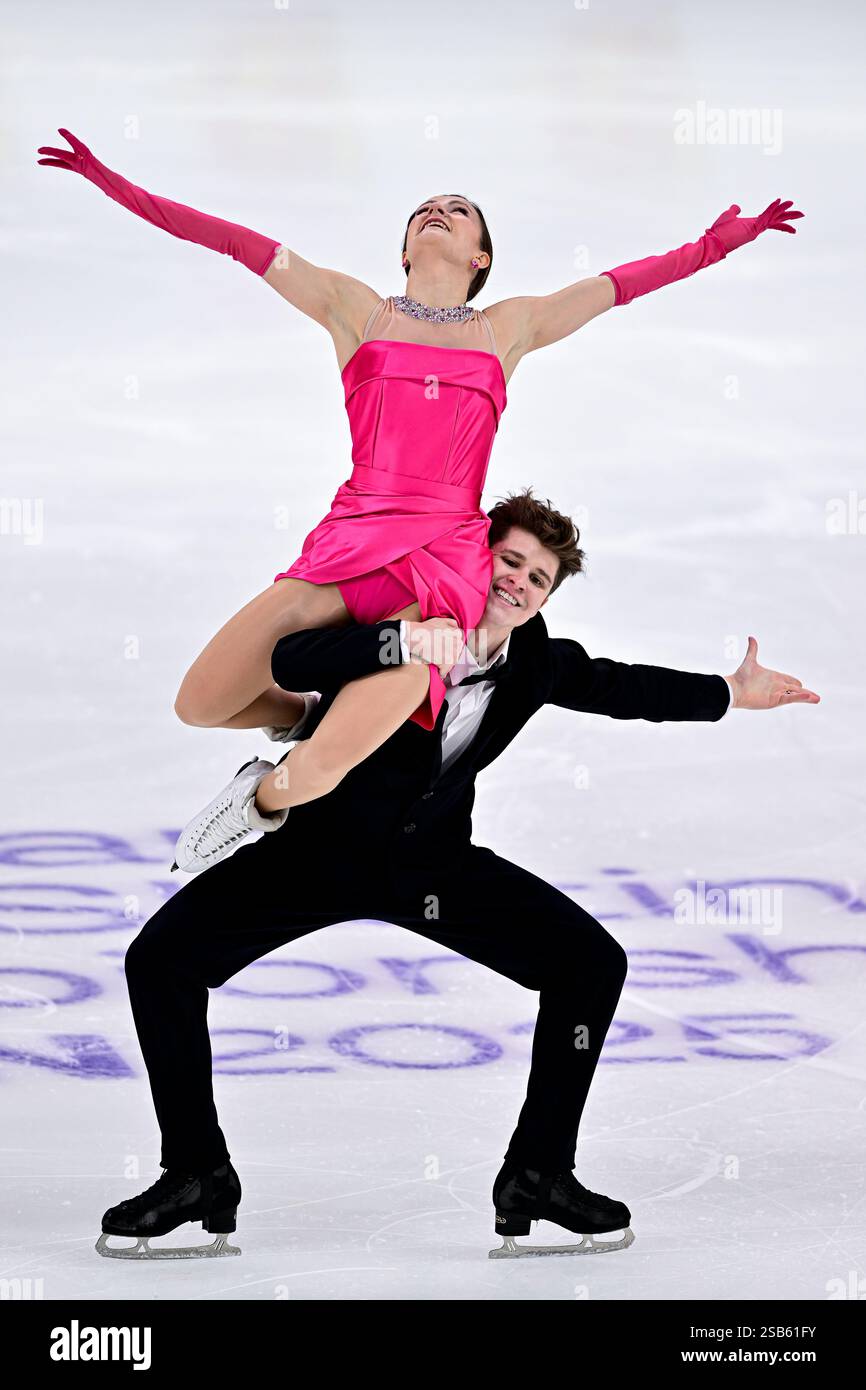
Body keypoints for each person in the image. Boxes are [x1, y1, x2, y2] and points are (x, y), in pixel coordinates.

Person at [38, 130, 804, 858]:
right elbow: (235, 241)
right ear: (405, 248)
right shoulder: (354, 308)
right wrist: (115, 185)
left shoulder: (510, 326)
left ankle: (258, 805)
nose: (439, 210)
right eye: (424, 209)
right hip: (350, 534)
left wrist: (711, 248)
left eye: (459, 209)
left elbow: (617, 289)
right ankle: (301, 715)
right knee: (201, 703)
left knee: (358, 731)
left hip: (443, 561)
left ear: (480, 256)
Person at [95, 491, 819, 1259]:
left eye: (538, 578)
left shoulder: (533, 660)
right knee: (160, 962)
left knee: (590, 964)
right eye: (509, 561)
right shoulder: (402, 621)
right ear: (478, 558)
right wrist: (399, 645)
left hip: (429, 867)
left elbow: (620, 686)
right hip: (317, 854)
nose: (519, 583)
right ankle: (197, 1173)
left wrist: (730, 694)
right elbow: (291, 659)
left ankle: (538, 1174)